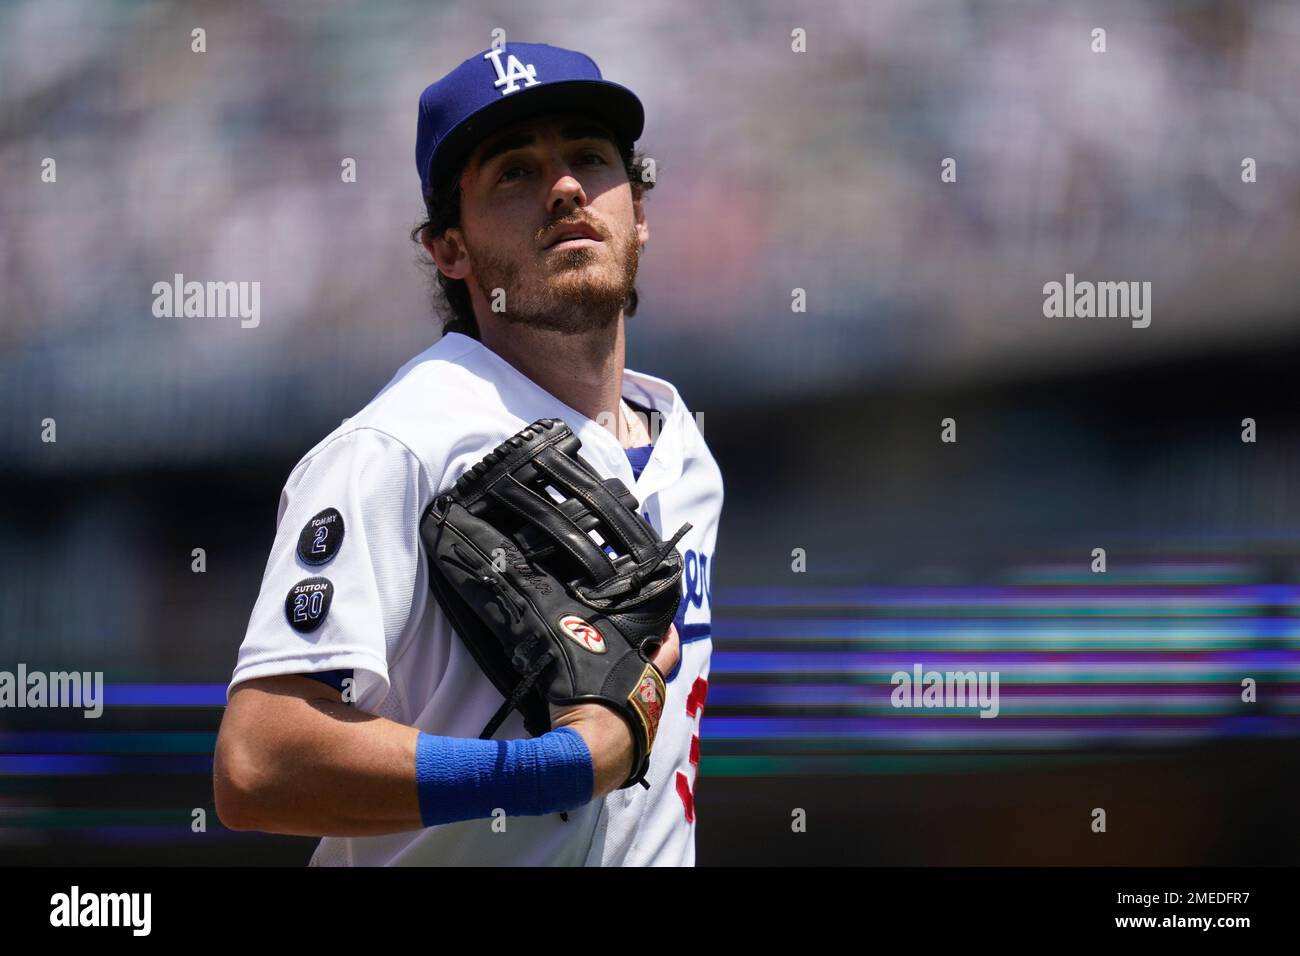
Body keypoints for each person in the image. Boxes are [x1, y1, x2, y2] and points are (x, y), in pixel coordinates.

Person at [213, 41, 724, 866]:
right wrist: (555, 767)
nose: (563, 187)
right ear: (449, 250)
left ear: (640, 209)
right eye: (513, 173)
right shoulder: (398, 446)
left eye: (590, 159)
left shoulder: (685, 451)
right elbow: (257, 764)